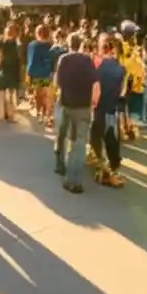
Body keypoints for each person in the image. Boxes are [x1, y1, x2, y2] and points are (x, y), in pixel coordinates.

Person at [54, 33, 99, 193]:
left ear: (68, 43)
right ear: (81, 44)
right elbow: (95, 83)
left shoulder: (63, 60)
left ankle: (60, 164)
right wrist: (93, 102)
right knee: (79, 143)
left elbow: (57, 83)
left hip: (67, 103)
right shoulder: (87, 60)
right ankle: (75, 180)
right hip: (83, 106)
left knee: (62, 134)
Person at [90, 36, 127, 187]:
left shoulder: (96, 66)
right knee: (111, 137)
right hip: (111, 108)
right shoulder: (120, 69)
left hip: (97, 107)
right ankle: (113, 167)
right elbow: (122, 92)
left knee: (96, 135)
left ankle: (100, 162)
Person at [25, 25, 54, 127]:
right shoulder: (51, 45)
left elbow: (30, 61)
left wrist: (28, 74)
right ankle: (45, 114)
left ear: (38, 33)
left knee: (38, 95)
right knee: (46, 96)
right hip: (47, 73)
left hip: (36, 74)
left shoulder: (32, 45)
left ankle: (39, 113)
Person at [0, 24, 22, 121]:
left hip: (9, 68)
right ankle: (9, 113)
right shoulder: (12, 43)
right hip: (9, 68)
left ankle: (7, 112)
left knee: (8, 91)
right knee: (9, 91)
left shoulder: (6, 42)